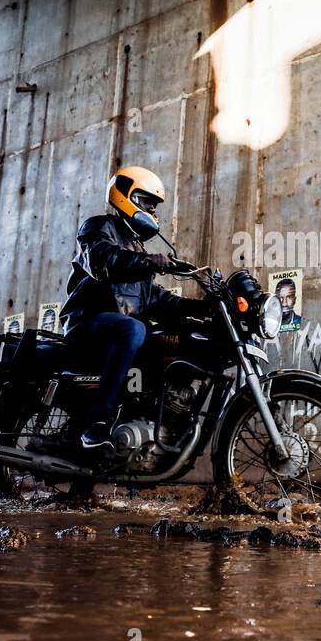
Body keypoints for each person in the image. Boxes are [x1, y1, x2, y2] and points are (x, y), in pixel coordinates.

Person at [60, 166, 204, 449]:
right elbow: (104, 262)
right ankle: (98, 422)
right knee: (133, 327)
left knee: (174, 336)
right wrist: (150, 262)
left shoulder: (137, 247)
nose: (152, 209)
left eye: (155, 204)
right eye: (147, 201)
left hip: (121, 331)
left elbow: (154, 299)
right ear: (126, 196)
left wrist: (201, 308)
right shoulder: (99, 227)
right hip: (88, 323)